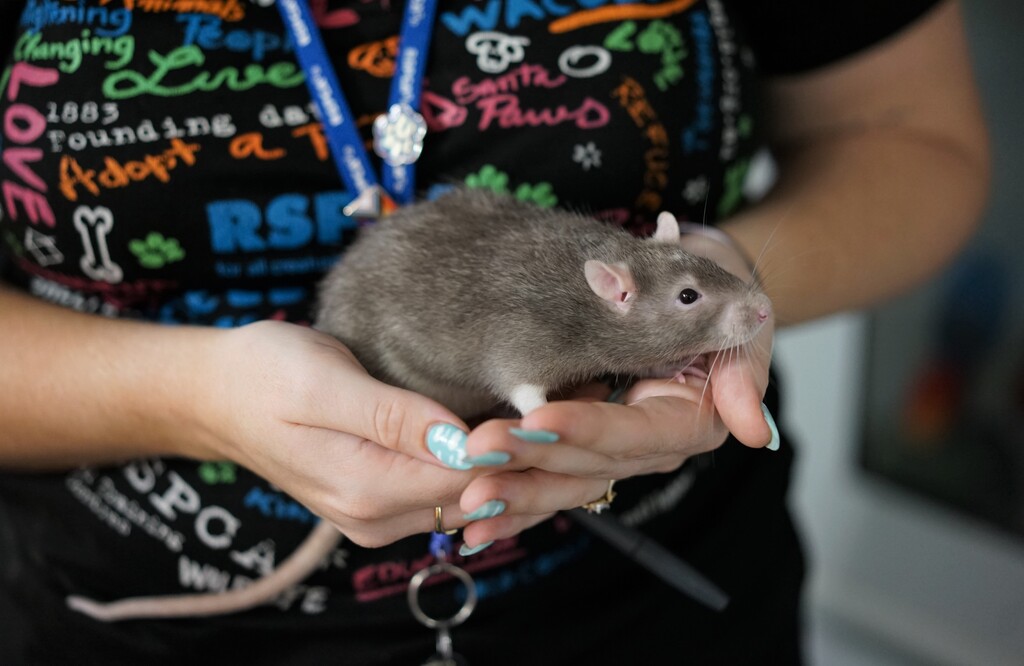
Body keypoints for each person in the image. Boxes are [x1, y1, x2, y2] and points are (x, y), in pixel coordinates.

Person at [0, 0, 988, 663]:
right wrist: (196, 404)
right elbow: (526, 351)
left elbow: (908, 133)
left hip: (651, 615)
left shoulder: (610, 286)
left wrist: (743, 267)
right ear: (611, 289)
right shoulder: (574, 301)